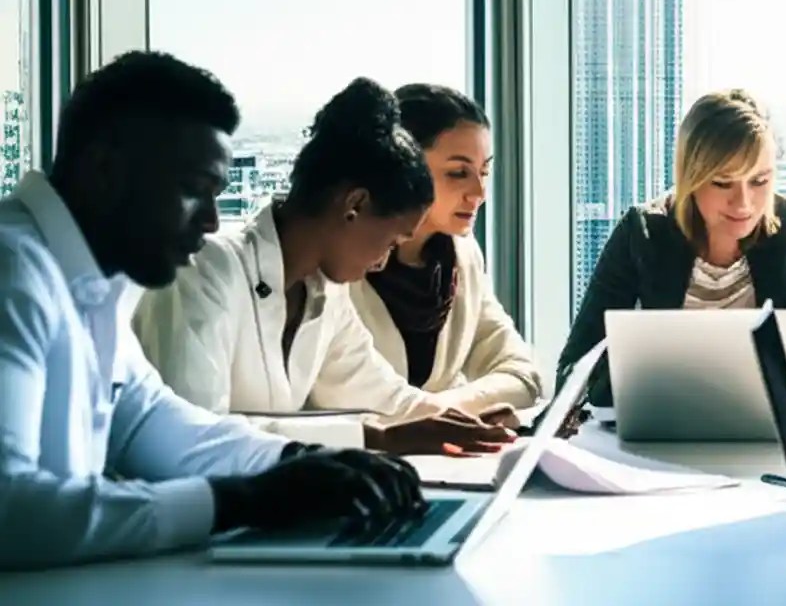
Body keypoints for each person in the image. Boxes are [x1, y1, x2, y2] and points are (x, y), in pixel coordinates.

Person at [0, 51, 424, 569]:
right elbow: (9, 512)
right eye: (193, 192)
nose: (209, 221)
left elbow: (152, 425)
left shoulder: (92, 287)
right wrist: (241, 501)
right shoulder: (13, 272)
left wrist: (307, 464)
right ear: (104, 169)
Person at [133, 77, 514, 454]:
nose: (383, 262)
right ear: (355, 205)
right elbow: (193, 434)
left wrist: (469, 423)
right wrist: (374, 438)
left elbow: (390, 399)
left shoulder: (324, 294)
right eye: (390, 241)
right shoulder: (207, 272)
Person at [558, 89, 786, 406]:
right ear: (690, 178)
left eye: (759, 181)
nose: (744, 203)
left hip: (773, 437)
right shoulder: (642, 233)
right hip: (662, 432)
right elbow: (574, 371)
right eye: (722, 183)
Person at [350, 84, 542, 416]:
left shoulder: (462, 257)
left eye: (484, 172)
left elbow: (523, 374)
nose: (479, 192)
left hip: (444, 462)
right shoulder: (342, 263)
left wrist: (440, 413)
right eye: (458, 173)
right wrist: (464, 409)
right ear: (403, 166)